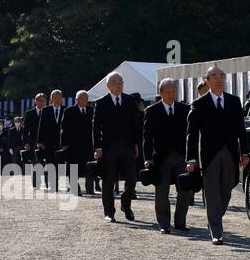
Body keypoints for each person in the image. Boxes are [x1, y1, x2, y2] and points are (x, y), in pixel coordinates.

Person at [185, 67, 249, 246]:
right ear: (207, 81)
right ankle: (216, 230)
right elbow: (192, 134)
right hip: (209, 155)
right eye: (214, 76)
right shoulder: (199, 104)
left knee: (227, 190)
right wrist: (191, 159)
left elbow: (241, 130)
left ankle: (214, 217)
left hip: (230, 153)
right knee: (212, 191)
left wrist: (244, 152)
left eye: (222, 75)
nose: (219, 79)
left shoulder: (234, 101)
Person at [92, 73, 142, 222]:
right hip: (108, 148)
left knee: (132, 179)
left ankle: (126, 206)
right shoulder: (101, 102)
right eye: (114, 82)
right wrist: (98, 147)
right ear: (108, 85)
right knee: (108, 180)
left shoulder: (130, 100)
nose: (118, 84)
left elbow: (135, 124)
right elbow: (95, 127)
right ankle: (109, 211)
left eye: (120, 81)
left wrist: (136, 144)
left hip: (127, 147)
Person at [144, 80, 192, 234]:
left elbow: (191, 134)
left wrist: (191, 157)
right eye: (168, 92)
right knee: (162, 191)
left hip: (180, 156)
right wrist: (148, 158)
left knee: (185, 188)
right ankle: (164, 223)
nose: (171, 95)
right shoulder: (152, 111)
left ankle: (180, 222)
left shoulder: (185, 109)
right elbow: (147, 137)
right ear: (161, 92)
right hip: (161, 157)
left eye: (174, 92)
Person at [60, 92, 94, 196]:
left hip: (88, 145)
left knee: (89, 166)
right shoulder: (69, 111)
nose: (84, 101)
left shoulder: (91, 111)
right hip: (73, 145)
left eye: (86, 99)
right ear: (77, 99)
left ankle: (89, 188)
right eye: (82, 98)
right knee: (73, 166)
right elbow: (64, 128)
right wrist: (64, 144)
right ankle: (75, 187)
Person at [33, 90, 66, 191]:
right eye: (55, 98)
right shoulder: (46, 110)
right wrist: (39, 142)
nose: (57, 99)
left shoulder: (66, 110)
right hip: (48, 143)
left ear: (62, 99)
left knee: (60, 165)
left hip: (61, 143)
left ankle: (54, 181)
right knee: (51, 163)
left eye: (59, 97)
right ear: (51, 99)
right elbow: (41, 127)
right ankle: (53, 185)